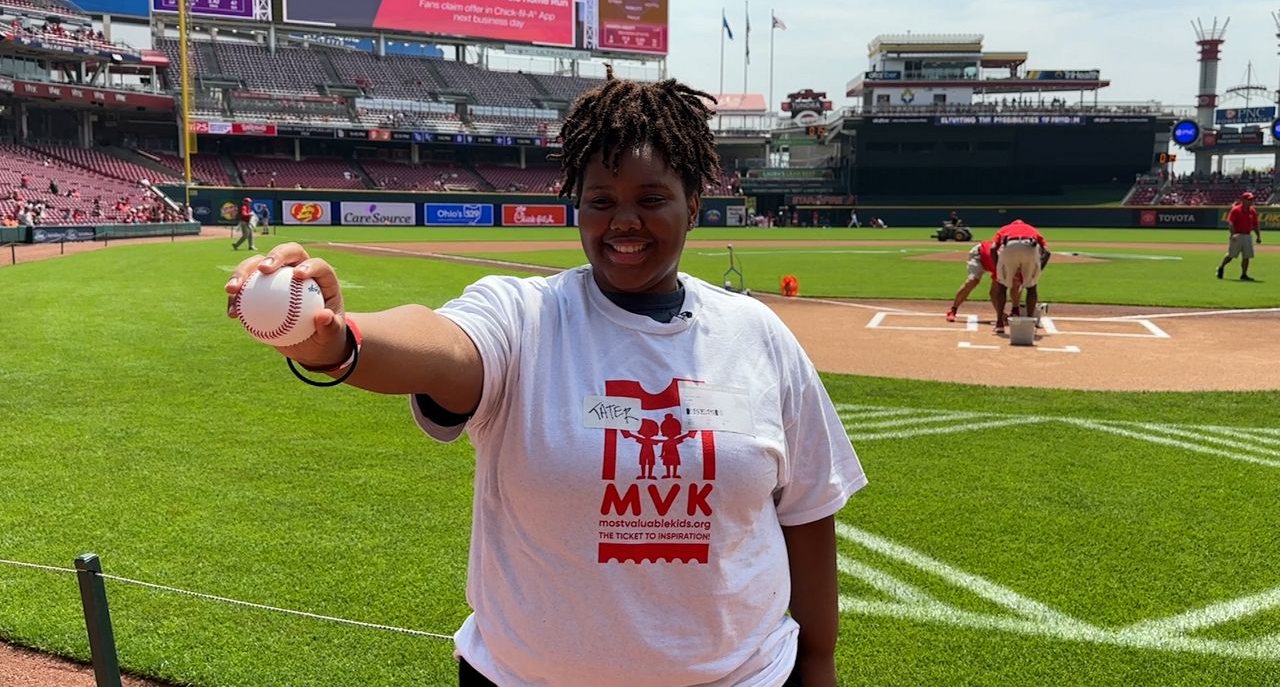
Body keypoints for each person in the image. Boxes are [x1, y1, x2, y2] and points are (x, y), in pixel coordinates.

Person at [225, 68, 865, 687]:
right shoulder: (522, 315)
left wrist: (819, 664)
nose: (624, 222)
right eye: (601, 201)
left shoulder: (757, 334)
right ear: (576, 206)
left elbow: (807, 515)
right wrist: (339, 339)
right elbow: (443, 346)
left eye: (650, 200)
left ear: (693, 205)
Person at [991, 219, 1051, 335]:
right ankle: (1030, 324)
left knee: (1002, 287)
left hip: (1009, 246)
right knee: (1031, 287)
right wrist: (1038, 270)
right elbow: (1047, 252)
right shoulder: (1032, 229)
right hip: (1030, 246)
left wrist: (998, 269)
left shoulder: (1004, 229)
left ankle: (999, 324)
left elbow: (993, 248)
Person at [945, 238, 998, 322]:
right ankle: (953, 310)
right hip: (979, 255)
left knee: (999, 287)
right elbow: (993, 293)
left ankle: (1010, 312)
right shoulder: (1001, 261)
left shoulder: (1008, 262)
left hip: (992, 261)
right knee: (972, 281)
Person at [1217, 191, 1262, 281]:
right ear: (1243, 200)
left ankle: (1244, 274)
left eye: (1252, 199)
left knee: (1246, 256)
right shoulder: (1236, 210)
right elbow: (1231, 223)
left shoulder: (1252, 211)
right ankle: (1221, 267)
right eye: (1249, 199)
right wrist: (1233, 235)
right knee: (1231, 255)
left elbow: (1255, 225)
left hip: (1247, 235)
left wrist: (1258, 236)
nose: (1251, 201)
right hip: (1238, 235)